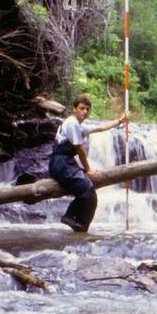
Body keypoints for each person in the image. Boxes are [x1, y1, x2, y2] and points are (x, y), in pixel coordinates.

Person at [50, 96, 127, 232]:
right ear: (74, 109)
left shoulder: (79, 125)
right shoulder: (72, 123)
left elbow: (100, 128)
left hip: (65, 163)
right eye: (81, 108)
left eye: (87, 109)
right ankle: (71, 218)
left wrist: (119, 121)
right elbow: (80, 148)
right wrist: (88, 170)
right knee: (87, 189)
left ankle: (80, 226)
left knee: (89, 191)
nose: (84, 111)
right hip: (61, 163)